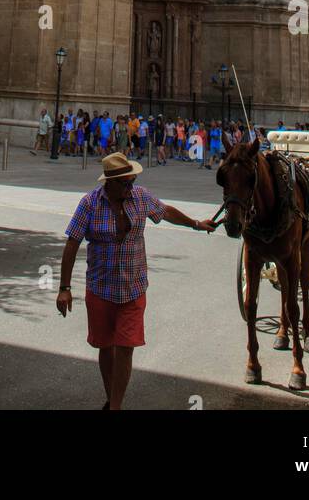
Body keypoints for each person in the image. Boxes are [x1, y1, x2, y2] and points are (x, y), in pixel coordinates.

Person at [56, 152, 216, 410]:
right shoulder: (89, 204)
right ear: (110, 182)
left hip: (133, 288)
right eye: (126, 183)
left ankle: (116, 406)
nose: (131, 187)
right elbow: (72, 243)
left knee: (126, 347)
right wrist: (64, 288)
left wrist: (196, 223)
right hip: (101, 288)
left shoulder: (139, 196)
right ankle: (112, 398)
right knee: (106, 347)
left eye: (132, 181)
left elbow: (165, 212)